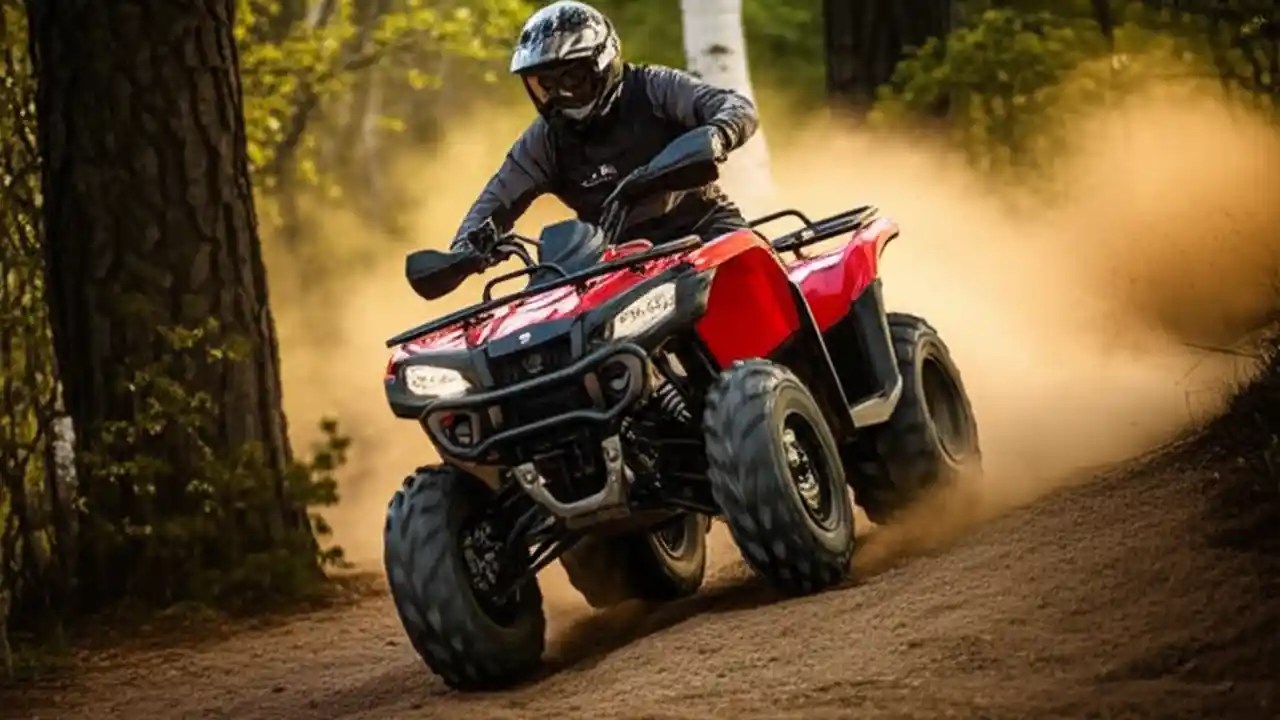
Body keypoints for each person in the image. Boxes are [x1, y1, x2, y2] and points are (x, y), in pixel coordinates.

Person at [450, 0, 759, 256]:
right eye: (545, 85)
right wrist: (464, 250)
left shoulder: (653, 87)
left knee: (752, 280)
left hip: (703, 230)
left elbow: (738, 108)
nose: (559, 96)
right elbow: (497, 198)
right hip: (614, 261)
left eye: (572, 79)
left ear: (603, 65)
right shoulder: (544, 140)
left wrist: (716, 136)